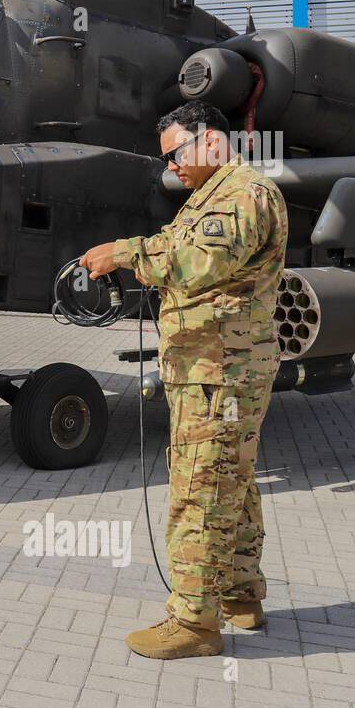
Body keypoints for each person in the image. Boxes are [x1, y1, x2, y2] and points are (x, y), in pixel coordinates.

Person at [79, 101, 288, 659]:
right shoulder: (210, 195)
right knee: (232, 481)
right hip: (211, 367)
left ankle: (194, 622)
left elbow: (197, 263)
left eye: (176, 153)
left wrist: (125, 252)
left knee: (200, 487)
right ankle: (241, 595)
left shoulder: (244, 193)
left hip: (221, 371)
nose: (170, 166)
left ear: (213, 142)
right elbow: (178, 249)